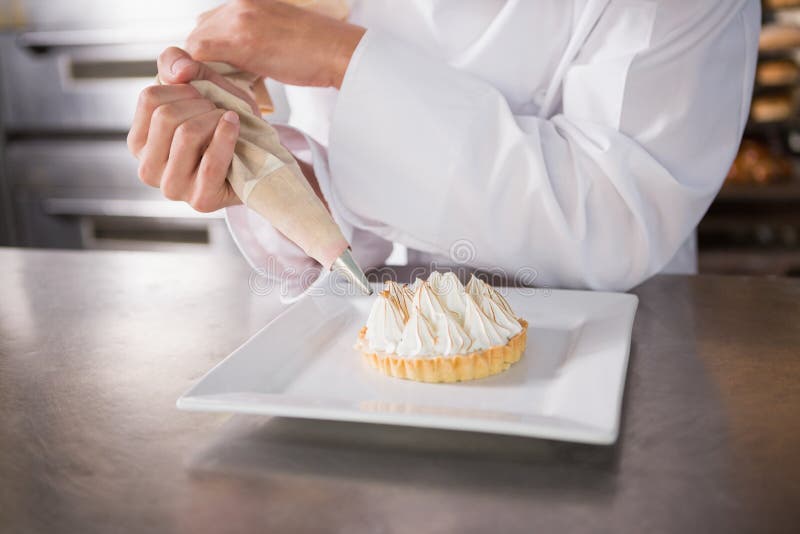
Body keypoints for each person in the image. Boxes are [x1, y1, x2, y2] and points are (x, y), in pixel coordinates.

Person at [127, 0, 760, 294]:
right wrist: (254, 166)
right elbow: (355, 197)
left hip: (611, 369)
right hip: (378, 360)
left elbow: (615, 223)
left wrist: (339, 56)